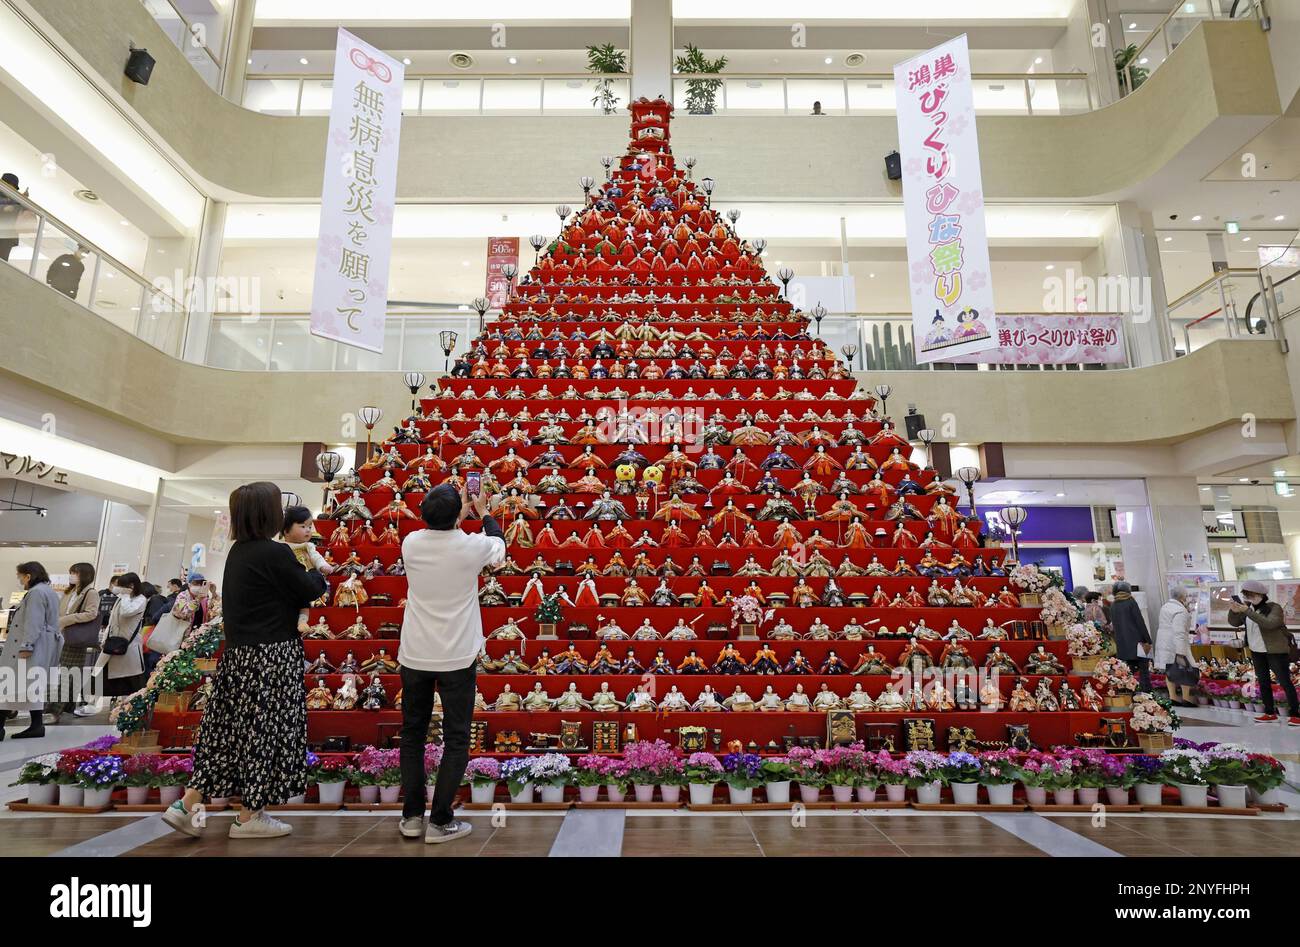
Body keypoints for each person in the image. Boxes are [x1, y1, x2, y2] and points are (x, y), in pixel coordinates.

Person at [162, 482, 327, 840]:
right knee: (264, 731)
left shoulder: (239, 552)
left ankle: (187, 804)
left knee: (226, 731)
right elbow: (310, 589)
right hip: (271, 656)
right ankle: (250, 814)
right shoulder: (274, 553)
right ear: (267, 514)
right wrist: (316, 568)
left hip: (238, 656)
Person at [396, 483, 505, 844]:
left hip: (415, 652)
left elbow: (442, 529)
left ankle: (412, 816)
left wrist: (457, 510)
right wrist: (484, 511)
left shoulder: (410, 543)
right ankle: (440, 821)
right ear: (457, 513)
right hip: (457, 654)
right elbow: (499, 550)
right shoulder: (470, 546)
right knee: (456, 737)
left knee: (412, 734)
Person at [0, 561, 63, 739]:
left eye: (20, 576)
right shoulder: (48, 591)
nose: (20, 581)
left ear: (28, 576)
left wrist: (26, 645)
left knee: (9, 685)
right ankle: (36, 725)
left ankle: (2, 727)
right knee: (30, 688)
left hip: (30, 647)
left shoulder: (36, 593)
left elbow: (33, 622)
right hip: (44, 645)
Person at [1227, 579, 1300, 725]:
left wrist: (1246, 611)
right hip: (1256, 651)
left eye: (1251, 595)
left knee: (1285, 682)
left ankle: (1296, 714)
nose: (1249, 598)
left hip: (1275, 651)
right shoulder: (1248, 609)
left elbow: (1270, 623)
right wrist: (1233, 611)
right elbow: (1234, 623)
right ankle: (1269, 712)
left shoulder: (1274, 608)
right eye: (1246, 595)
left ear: (1261, 595)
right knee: (1264, 682)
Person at [56, 562, 101, 719]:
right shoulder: (70, 592)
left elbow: (91, 613)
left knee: (68, 673)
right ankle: (66, 707)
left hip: (76, 638)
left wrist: (67, 619)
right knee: (68, 673)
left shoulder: (91, 592)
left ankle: (55, 709)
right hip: (63, 636)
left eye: (75, 573)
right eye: (71, 572)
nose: (72, 575)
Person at [281, 505, 334, 633]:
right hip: (288, 582)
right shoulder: (280, 547)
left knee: (304, 603)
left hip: (305, 579)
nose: (308, 530)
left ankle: (302, 622)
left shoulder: (308, 546)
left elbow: (316, 557)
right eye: (303, 526)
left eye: (310, 527)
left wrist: (323, 566)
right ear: (286, 530)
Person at [102, 573, 148, 699]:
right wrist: (105, 637)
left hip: (129, 645)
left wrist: (126, 595)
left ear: (131, 586)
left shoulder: (140, 599)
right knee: (103, 675)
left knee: (130, 679)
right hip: (113, 642)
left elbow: (126, 612)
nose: (117, 588)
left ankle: (128, 705)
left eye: (121, 585)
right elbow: (112, 620)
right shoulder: (121, 598)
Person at [1155, 587, 1197, 707]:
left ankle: (1173, 696)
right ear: (1182, 597)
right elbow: (1179, 632)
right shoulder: (1180, 611)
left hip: (1163, 641)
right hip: (1175, 643)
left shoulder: (1165, 607)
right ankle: (1186, 698)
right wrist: (1181, 652)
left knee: (1170, 669)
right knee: (1185, 669)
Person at [1109, 581, 1152, 693]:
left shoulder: (1113, 605)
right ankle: (1146, 693)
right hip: (1137, 642)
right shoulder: (1130, 602)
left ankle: (1130, 693)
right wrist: (1148, 639)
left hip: (1122, 644)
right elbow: (1140, 622)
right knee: (1143, 671)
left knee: (1127, 672)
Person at [0, 172, 24, 263]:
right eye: (12, 186)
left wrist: (22, 201)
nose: (14, 190)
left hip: (7, 237)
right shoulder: (12, 200)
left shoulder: (15, 201)